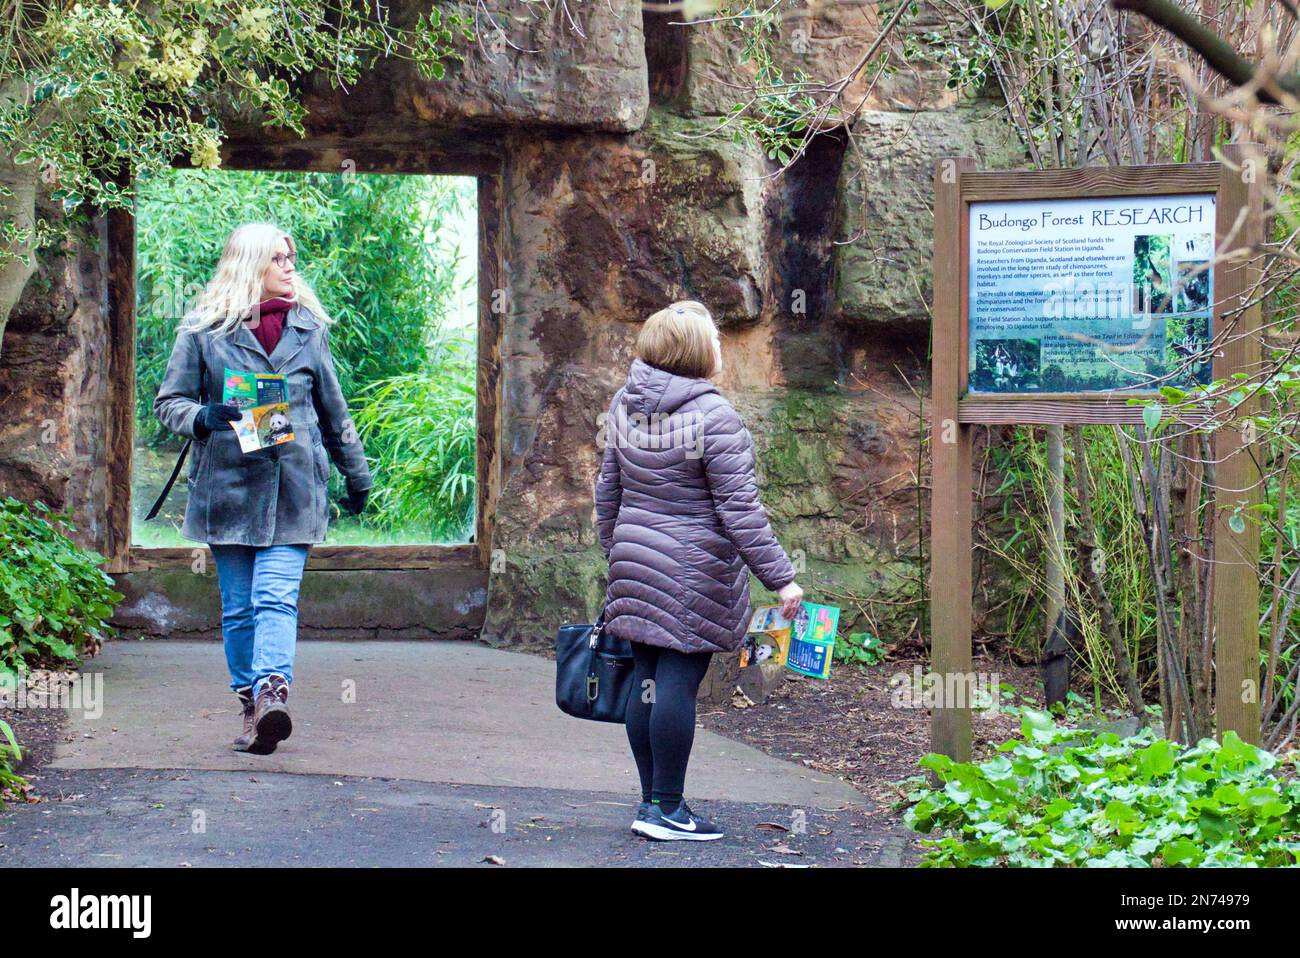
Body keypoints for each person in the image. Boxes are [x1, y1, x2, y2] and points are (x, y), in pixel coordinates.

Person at [154, 223, 372, 755]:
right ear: (252, 264)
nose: (291, 266)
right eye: (279, 258)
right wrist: (205, 415)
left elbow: (334, 411)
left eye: (292, 256)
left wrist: (356, 474)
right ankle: (251, 707)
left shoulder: (308, 329)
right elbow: (169, 403)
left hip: (296, 488)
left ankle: (274, 691)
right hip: (227, 491)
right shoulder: (203, 330)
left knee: (274, 597)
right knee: (239, 609)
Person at [595, 300, 803, 841]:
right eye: (713, 337)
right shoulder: (715, 417)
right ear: (694, 350)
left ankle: (650, 805)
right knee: (677, 688)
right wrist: (781, 577)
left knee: (646, 682)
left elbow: (607, 491)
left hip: (633, 564)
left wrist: (617, 554)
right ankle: (668, 809)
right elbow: (741, 512)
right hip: (691, 576)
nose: (719, 345)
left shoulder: (623, 404)